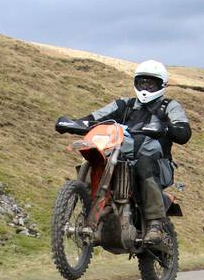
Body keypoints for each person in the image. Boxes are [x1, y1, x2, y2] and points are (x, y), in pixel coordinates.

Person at [61, 60, 191, 245]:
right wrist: (74, 123)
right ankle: (87, 213)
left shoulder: (169, 106)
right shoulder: (124, 105)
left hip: (157, 165)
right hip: (120, 158)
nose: (145, 87)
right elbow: (94, 118)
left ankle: (155, 223)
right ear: (135, 83)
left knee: (144, 164)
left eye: (151, 83)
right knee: (96, 160)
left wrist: (165, 128)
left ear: (161, 85)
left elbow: (183, 131)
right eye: (142, 82)